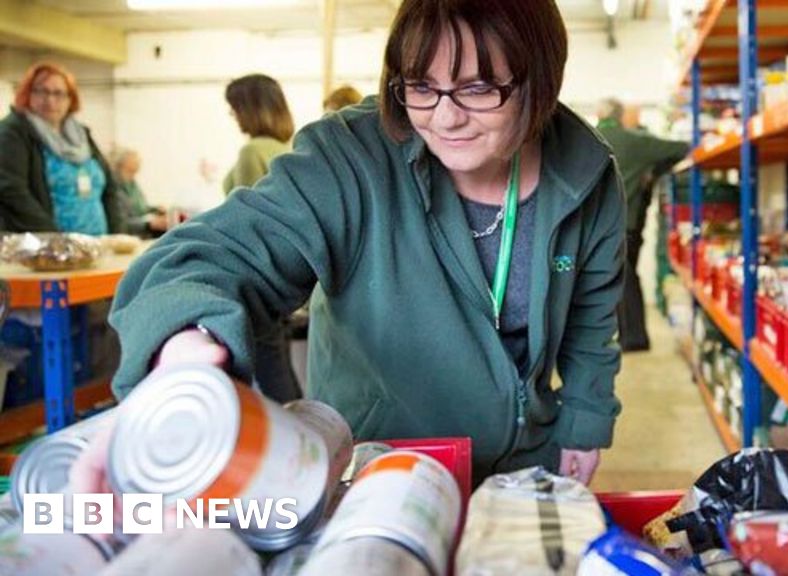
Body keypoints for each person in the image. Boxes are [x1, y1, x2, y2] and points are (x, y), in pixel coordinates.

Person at [104, 0, 624, 487]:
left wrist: (585, 417)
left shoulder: (585, 174)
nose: (444, 118)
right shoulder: (349, 158)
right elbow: (223, 253)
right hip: (379, 468)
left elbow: (592, 313)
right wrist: (185, 349)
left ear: (541, 80)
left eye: (478, 88)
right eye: (421, 85)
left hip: (522, 464)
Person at [221, 72, 302, 403]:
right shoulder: (288, 148)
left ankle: (295, 441)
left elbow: (247, 223)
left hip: (256, 275)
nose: (233, 116)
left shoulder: (252, 152)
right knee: (279, 365)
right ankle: (306, 432)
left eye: (234, 108)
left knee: (271, 373)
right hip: (286, 275)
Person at [596, 98, 687, 352]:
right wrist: (655, 171)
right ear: (621, 115)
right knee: (627, 277)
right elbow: (679, 148)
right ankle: (634, 337)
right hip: (627, 222)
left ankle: (628, 336)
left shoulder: (588, 138)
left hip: (596, 226)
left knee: (614, 279)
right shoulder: (634, 141)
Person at [0, 62, 123, 234]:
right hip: (46, 250)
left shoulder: (82, 134)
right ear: (27, 94)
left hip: (97, 246)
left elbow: (109, 188)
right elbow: (11, 190)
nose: (50, 100)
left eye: (58, 93)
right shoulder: (13, 132)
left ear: (70, 99)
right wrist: (55, 240)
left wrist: (117, 234)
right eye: (41, 91)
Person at [222, 73, 295, 194]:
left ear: (249, 109)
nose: (231, 113)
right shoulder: (292, 147)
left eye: (235, 107)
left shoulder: (251, 151)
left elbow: (246, 210)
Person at [109, 147, 170, 238]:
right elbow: (119, 225)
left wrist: (156, 209)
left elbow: (140, 209)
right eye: (130, 171)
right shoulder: (114, 189)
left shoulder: (133, 184)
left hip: (142, 233)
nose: (133, 176)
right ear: (121, 165)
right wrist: (149, 224)